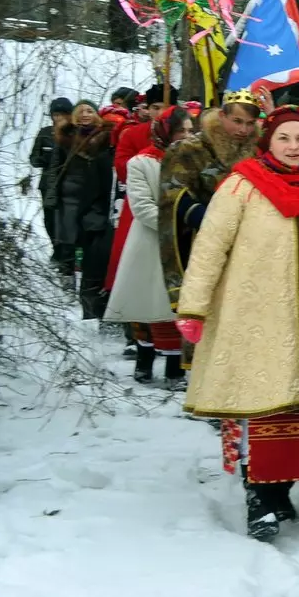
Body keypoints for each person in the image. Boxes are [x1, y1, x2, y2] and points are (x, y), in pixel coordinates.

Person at [176, 106, 299, 541]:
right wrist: (193, 306)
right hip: (255, 315)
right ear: (269, 141)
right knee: (262, 407)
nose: (293, 147)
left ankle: (283, 488)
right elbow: (210, 247)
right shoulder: (243, 185)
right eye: (284, 138)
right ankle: (258, 495)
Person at [104, 107, 194, 387]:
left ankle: (174, 369)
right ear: (166, 131)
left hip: (182, 244)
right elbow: (142, 206)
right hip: (150, 241)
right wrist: (175, 225)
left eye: (191, 130)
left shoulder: (192, 161)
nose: (188, 136)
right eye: (182, 130)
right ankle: (144, 363)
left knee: (176, 305)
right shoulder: (141, 163)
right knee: (147, 302)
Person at [158, 90, 262, 312]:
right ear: (221, 116)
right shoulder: (188, 149)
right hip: (201, 240)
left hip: (248, 244)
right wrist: (212, 219)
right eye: (237, 121)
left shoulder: (257, 152)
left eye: (250, 123)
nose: (243, 130)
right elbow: (172, 194)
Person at [47, 100, 117, 315]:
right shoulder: (66, 137)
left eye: (90, 110)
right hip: (70, 198)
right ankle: (70, 281)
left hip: (97, 200)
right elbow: (54, 170)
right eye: (81, 111)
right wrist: (52, 197)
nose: (85, 114)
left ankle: (96, 304)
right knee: (70, 244)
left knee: (95, 252)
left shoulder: (107, 136)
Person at [29, 97, 74, 243]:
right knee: (49, 220)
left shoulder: (74, 133)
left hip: (69, 183)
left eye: (62, 114)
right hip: (48, 184)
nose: (59, 118)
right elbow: (33, 159)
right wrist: (46, 159)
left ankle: (67, 256)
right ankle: (56, 250)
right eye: (55, 114)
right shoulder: (45, 133)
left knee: (67, 220)